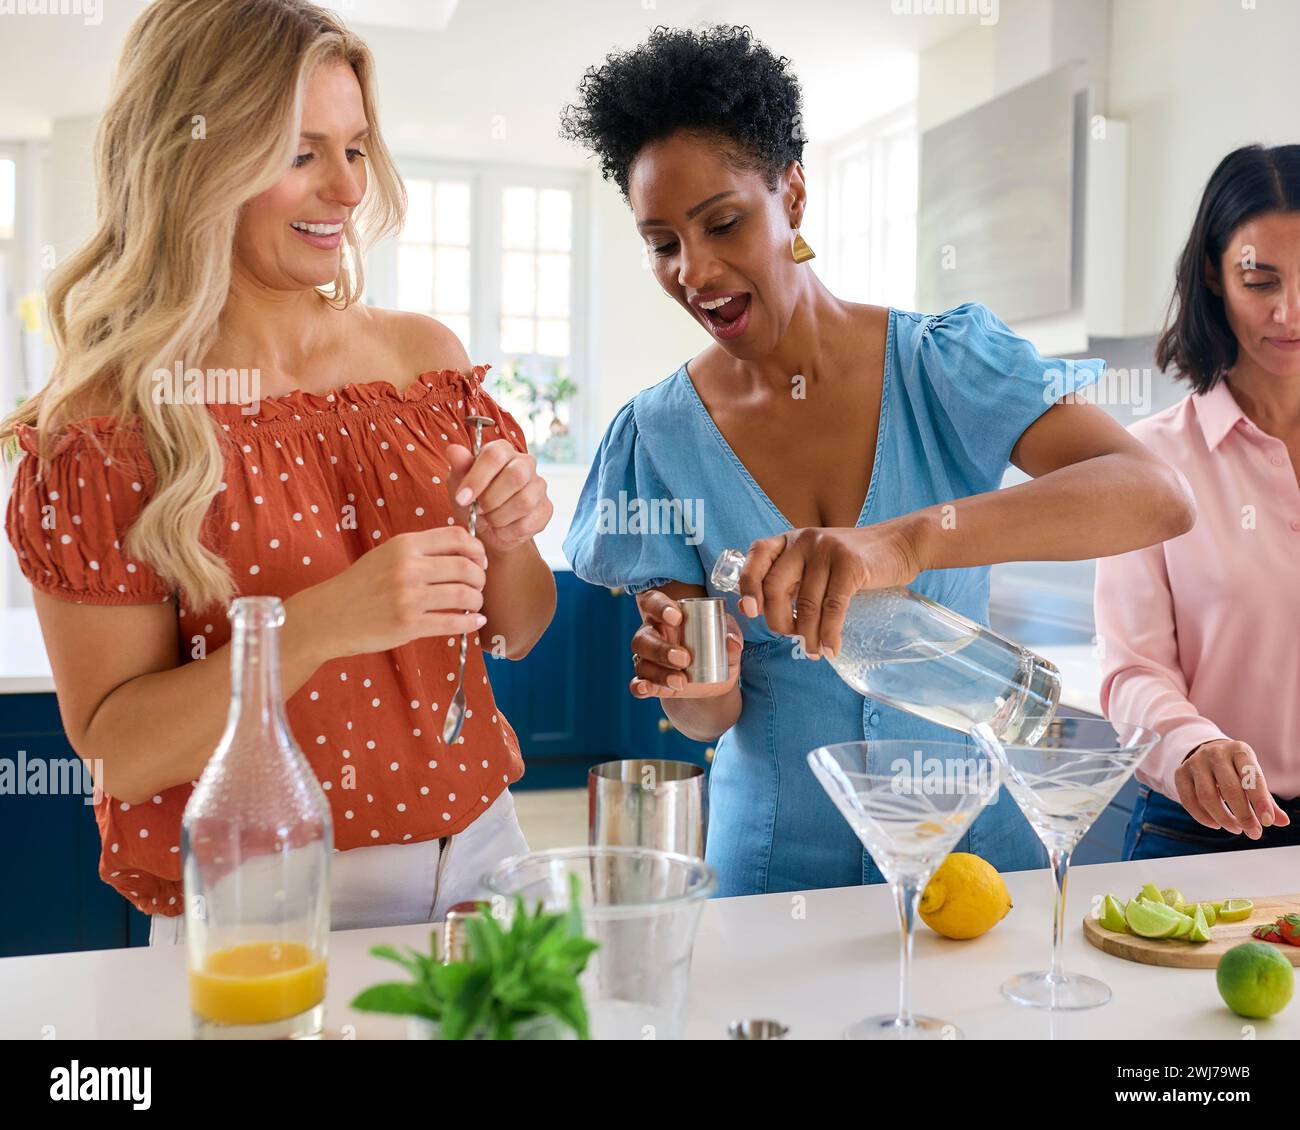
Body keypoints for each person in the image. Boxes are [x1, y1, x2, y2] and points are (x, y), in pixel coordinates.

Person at [559, 25, 1195, 897]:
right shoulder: (656, 437)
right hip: (773, 871)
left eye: (723, 223)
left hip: (973, 859)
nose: (694, 270)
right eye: (663, 243)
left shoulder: (944, 365)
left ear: (794, 194)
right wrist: (691, 677)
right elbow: (706, 718)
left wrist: (902, 545)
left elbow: (1153, 494)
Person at [2, 0, 556, 940]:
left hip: (488, 866)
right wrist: (320, 624)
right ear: (192, 162)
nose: (346, 190)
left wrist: (510, 539)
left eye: (354, 148)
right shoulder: (107, 428)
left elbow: (519, 629)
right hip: (267, 906)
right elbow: (116, 752)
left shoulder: (424, 363)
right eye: (300, 154)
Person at [1096, 144, 1300, 859]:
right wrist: (1192, 745)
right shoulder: (1148, 462)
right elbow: (1132, 671)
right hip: (1202, 830)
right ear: (1215, 276)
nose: (1289, 311)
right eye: (1260, 280)